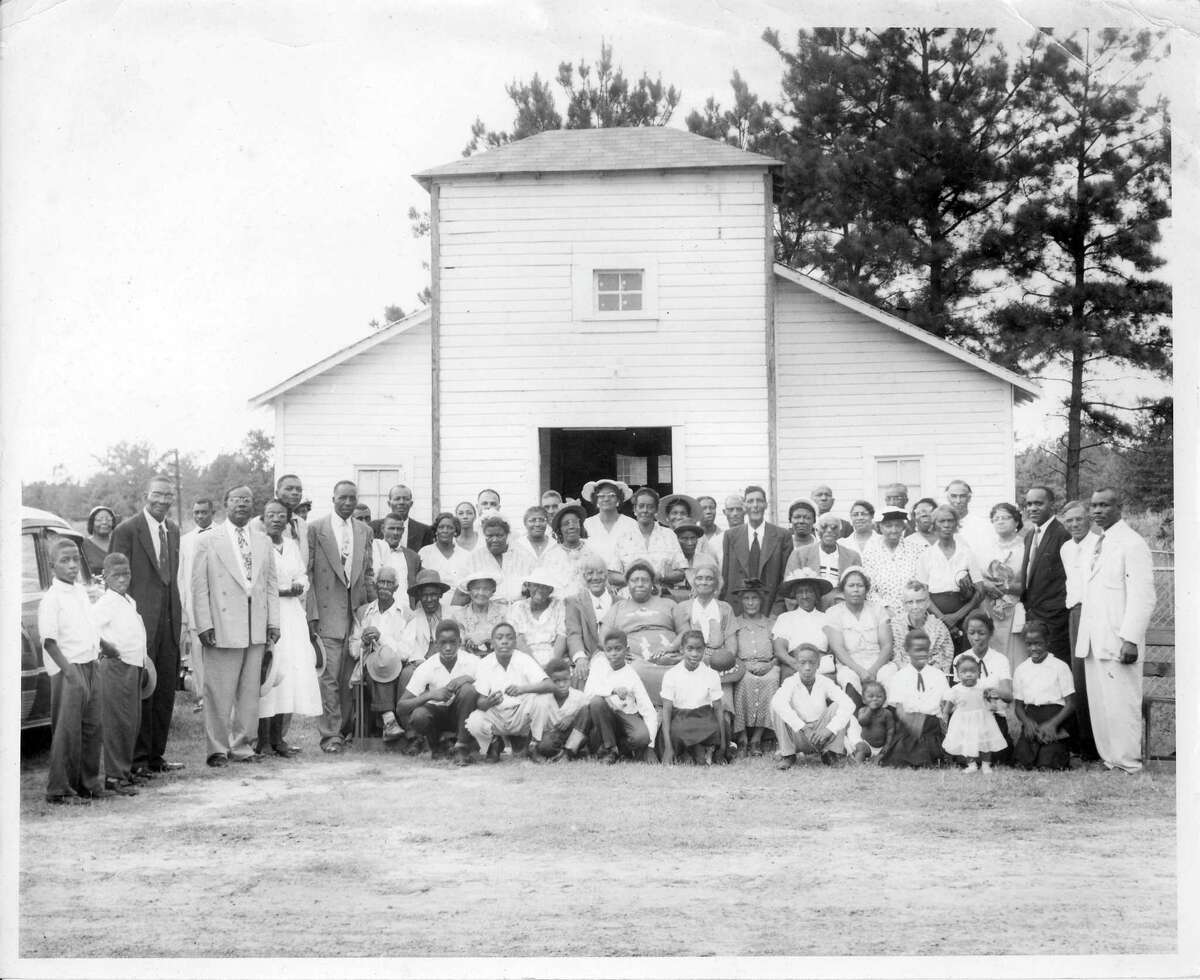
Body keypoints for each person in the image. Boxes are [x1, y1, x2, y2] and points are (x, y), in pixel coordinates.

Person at [191, 485, 280, 767]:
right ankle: (217, 748)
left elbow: (270, 585)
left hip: (255, 626)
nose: (242, 504)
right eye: (236, 499)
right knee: (218, 692)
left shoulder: (262, 540)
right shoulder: (208, 540)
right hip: (221, 626)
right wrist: (204, 624)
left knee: (249, 693)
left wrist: (273, 622)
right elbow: (198, 587)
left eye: (247, 500)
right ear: (225, 504)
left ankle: (243, 746)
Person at [1075, 488, 1156, 773]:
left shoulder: (1132, 544)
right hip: (1094, 639)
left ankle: (1129, 763)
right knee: (1102, 706)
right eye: (1093, 506)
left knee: (1122, 704)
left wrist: (1130, 639)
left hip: (1117, 638)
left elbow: (1143, 596)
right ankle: (1111, 760)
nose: (1097, 511)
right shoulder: (1099, 543)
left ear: (1119, 507)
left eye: (1104, 505)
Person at [109, 474, 184, 777]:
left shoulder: (175, 531)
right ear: (145, 495)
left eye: (168, 495)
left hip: (169, 622)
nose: (162, 500)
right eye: (157, 494)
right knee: (142, 689)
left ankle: (156, 756)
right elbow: (114, 582)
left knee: (165, 688)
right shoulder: (127, 530)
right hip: (138, 623)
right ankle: (137, 760)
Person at [39, 539, 109, 803]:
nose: (71, 565)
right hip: (68, 669)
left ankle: (88, 783)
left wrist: (106, 648)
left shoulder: (80, 591)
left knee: (92, 727)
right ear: (52, 565)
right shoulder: (51, 599)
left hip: (91, 664)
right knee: (67, 729)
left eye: (75, 560)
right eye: (64, 561)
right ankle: (59, 789)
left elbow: (89, 628)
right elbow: (49, 641)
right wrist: (70, 674)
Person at [306, 480, 373, 754]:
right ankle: (330, 735)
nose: (348, 503)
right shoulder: (316, 529)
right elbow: (308, 574)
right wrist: (312, 615)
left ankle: (346, 730)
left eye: (352, 498)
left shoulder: (364, 530)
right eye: (342, 498)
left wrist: (370, 612)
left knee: (349, 677)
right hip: (327, 612)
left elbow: (368, 572)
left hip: (355, 613)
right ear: (333, 498)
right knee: (329, 677)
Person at [256, 499, 322, 757]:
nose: (275, 519)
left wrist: (298, 586)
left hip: (293, 614)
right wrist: (283, 590)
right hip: (270, 614)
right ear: (263, 518)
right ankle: (260, 739)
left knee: (289, 676)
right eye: (270, 514)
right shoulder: (258, 544)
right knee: (269, 675)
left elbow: (302, 575)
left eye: (280, 515)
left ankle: (278, 739)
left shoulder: (292, 545)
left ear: (288, 519)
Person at [91, 553, 146, 796]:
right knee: (116, 722)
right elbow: (90, 629)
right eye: (116, 575)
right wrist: (107, 648)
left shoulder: (128, 601)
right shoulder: (106, 603)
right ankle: (114, 777)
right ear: (105, 577)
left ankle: (124, 772)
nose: (123, 579)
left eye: (126, 574)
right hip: (116, 667)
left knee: (130, 722)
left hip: (133, 666)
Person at [466, 622, 553, 762]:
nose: (504, 642)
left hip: (520, 714)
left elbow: (549, 685)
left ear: (515, 642)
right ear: (492, 643)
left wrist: (522, 689)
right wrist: (489, 701)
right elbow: (480, 702)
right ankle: (494, 744)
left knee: (542, 700)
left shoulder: (524, 659)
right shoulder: (485, 663)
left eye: (509, 638)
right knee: (474, 721)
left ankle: (534, 745)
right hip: (497, 715)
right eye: (499, 638)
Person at [397, 620, 480, 765]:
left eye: (452, 642)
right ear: (436, 644)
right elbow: (401, 707)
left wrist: (467, 678)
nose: (448, 648)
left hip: (462, 715)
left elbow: (490, 687)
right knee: (419, 716)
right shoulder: (427, 666)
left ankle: (462, 747)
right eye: (443, 643)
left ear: (460, 642)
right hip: (437, 715)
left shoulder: (473, 662)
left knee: (468, 690)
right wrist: (430, 695)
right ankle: (436, 745)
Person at [598, 560, 679, 704]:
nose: (640, 584)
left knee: (691, 666)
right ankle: (659, 708)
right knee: (636, 670)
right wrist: (621, 655)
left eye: (645, 580)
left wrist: (672, 649)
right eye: (634, 580)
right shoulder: (618, 607)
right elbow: (603, 638)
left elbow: (686, 633)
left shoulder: (668, 604)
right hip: (636, 661)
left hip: (671, 657)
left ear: (652, 583)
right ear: (627, 584)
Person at [349, 565, 411, 741]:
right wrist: (364, 641)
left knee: (383, 663)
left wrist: (381, 638)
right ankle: (389, 721)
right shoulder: (364, 612)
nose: (384, 587)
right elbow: (353, 651)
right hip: (369, 665)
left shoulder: (405, 614)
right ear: (375, 586)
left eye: (389, 583)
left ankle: (388, 722)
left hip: (398, 665)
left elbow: (405, 652)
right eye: (381, 582)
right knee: (375, 664)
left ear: (396, 588)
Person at [1059, 499, 1100, 761]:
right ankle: (1084, 743)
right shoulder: (1065, 548)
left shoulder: (1099, 544)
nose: (1074, 524)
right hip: (1074, 613)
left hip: (1096, 613)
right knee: (1079, 679)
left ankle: (1098, 744)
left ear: (1089, 519)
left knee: (1096, 678)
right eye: (1069, 520)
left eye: (1079, 519)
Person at [771, 646, 856, 769]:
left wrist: (829, 730)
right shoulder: (790, 682)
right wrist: (804, 728)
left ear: (818, 664)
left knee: (840, 706)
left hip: (821, 735)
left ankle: (830, 753)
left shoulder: (824, 681)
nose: (807, 667)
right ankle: (788, 755)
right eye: (803, 662)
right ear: (796, 664)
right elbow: (777, 703)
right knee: (777, 704)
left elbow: (849, 704)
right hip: (799, 734)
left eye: (812, 662)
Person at [580, 629, 658, 763]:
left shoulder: (631, 675)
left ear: (627, 650)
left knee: (642, 737)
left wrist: (650, 747)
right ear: (604, 651)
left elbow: (648, 710)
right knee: (597, 701)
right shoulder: (599, 666)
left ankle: (621, 750)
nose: (613, 654)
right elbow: (588, 693)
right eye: (609, 650)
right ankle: (610, 749)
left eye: (618, 649)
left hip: (626, 717)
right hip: (606, 718)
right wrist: (612, 691)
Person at [913, 505, 982, 653]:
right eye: (941, 521)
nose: (946, 525)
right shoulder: (926, 556)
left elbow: (980, 591)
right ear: (934, 524)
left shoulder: (967, 553)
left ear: (956, 523)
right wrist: (942, 618)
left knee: (965, 657)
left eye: (950, 521)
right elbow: (922, 593)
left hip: (964, 615)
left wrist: (957, 616)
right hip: (935, 616)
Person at [1012, 620, 1076, 770]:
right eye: (1029, 644)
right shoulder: (1021, 669)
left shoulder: (1060, 666)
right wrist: (1027, 722)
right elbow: (1019, 706)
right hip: (1032, 717)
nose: (1033, 648)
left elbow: (1071, 704)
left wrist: (1053, 724)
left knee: (1047, 764)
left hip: (1056, 717)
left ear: (1048, 642)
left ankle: (1056, 753)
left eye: (1038, 643)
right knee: (1022, 762)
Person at [824, 567, 892, 707]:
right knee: (848, 678)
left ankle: (887, 723)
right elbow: (838, 649)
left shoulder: (878, 610)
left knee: (889, 675)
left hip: (878, 662)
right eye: (851, 585)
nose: (856, 590)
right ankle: (857, 723)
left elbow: (887, 646)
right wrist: (861, 672)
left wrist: (873, 670)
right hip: (850, 664)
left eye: (860, 585)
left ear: (866, 589)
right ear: (843, 590)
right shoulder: (833, 613)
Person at [880, 630, 948, 768]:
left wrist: (944, 720)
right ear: (907, 651)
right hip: (909, 725)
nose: (922, 654)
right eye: (917, 650)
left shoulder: (938, 675)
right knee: (900, 756)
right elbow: (899, 710)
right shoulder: (899, 676)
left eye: (925, 650)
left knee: (931, 753)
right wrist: (914, 723)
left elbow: (945, 703)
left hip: (931, 724)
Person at [720, 485, 792, 615]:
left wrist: (777, 610)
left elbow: (785, 578)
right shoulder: (731, 535)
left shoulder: (782, 536)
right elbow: (726, 577)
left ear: (766, 504)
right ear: (744, 506)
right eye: (750, 501)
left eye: (759, 501)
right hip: (737, 610)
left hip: (770, 610)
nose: (755, 505)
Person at [1020, 486, 1072, 667]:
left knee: (1056, 669)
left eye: (1038, 503)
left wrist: (1055, 613)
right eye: (1029, 504)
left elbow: (1067, 581)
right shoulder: (1029, 535)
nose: (1032, 508)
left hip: (1055, 622)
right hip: (1033, 618)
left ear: (1052, 505)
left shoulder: (1062, 535)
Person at [726, 580, 778, 756]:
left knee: (771, 682)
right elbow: (731, 649)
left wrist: (770, 665)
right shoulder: (735, 623)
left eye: (754, 598)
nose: (750, 602)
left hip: (768, 665)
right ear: (741, 601)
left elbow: (778, 651)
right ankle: (742, 737)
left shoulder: (771, 622)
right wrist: (743, 666)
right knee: (743, 682)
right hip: (742, 665)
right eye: (746, 598)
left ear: (761, 600)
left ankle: (757, 737)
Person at [954, 611, 1014, 760]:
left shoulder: (1000, 660)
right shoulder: (960, 659)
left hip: (993, 717)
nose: (976, 638)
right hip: (968, 720)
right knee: (965, 759)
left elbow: (1007, 696)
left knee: (999, 759)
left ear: (990, 633)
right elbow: (958, 697)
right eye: (971, 633)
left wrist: (991, 691)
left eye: (981, 633)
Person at [660, 630, 725, 765]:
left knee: (721, 727)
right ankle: (693, 751)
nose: (694, 654)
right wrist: (668, 748)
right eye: (690, 649)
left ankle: (701, 751)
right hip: (681, 716)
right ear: (682, 649)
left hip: (704, 715)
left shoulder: (711, 674)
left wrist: (723, 746)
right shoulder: (671, 675)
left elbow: (718, 708)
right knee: (677, 732)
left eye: (699, 649)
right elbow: (666, 711)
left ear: (704, 650)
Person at [978, 502, 1028, 673]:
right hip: (990, 607)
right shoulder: (984, 546)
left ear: (1016, 522)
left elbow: (1029, 580)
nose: (1000, 521)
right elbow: (976, 575)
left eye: (1005, 517)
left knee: (1016, 655)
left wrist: (1006, 587)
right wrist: (986, 584)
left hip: (1014, 606)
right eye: (996, 518)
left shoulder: (1025, 546)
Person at [178, 497, 216, 709]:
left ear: (213, 512)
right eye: (196, 513)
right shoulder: (185, 540)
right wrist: (184, 606)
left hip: (219, 606)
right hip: (194, 605)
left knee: (218, 652)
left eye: (204, 512)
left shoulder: (222, 535)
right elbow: (181, 576)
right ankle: (202, 696)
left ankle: (221, 696)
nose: (200, 516)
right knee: (198, 652)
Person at [939, 653, 1006, 772]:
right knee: (967, 743)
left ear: (979, 672)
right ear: (958, 674)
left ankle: (986, 765)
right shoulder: (955, 690)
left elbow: (991, 698)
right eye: (964, 672)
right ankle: (972, 765)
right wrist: (945, 713)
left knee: (985, 743)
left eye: (972, 671)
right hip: (964, 720)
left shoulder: (983, 686)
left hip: (982, 719)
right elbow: (949, 703)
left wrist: (993, 704)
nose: (968, 674)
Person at [884, 581, 955, 684]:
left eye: (920, 601)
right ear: (904, 604)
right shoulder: (895, 625)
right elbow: (894, 655)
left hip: (930, 673)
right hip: (903, 672)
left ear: (927, 603)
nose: (915, 606)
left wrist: (926, 671)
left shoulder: (938, 627)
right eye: (910, 602)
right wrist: (910, 672)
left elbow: (945, 655)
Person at [455, 515, 536, 605]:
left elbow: (535, 588)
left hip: (519, 610)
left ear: (507, 535)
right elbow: (461, 594)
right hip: (486, 611)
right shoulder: (474, 559)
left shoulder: (523, 556)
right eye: (490, 536)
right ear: (484, 536)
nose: (494, 540)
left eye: (499, 535)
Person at [786, 514, 861, 609]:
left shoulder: (852, 556)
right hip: (810, 610)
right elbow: (790, 591)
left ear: (840, 532)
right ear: (817, 531)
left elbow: (858, 588)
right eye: (824, 527)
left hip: (843, 609)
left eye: (834, 528)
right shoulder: (799, 555)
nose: (829, 531)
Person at [563, 553, 615, 688]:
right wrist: (580, 657)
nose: (595, 578)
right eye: (589, 573)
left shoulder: (619, 602)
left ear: (607, 575)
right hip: (588, 658)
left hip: (615, 657)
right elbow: (573, 634)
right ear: (583, 577)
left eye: (600, 573)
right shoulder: (573, 602)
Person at [615, 487, 685, 586]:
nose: (645, 510)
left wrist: (662, 577)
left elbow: (681, 573)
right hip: (629, 596)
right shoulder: (623, 537)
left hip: (661, 596)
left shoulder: (669, 535)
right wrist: (633, 579)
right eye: (641, 506)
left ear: (656, 509)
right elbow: (611, 574)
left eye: (650, 507)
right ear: (635, 509)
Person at [861, 506, 923, 616]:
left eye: (898, 525)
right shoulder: (871, 550)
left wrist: (912, 607)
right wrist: (885, 608)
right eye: (888, 526)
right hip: (880, 611)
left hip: (912, 610)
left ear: (903, 527)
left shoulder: (916, 550)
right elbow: (869, 588)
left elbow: (920, 584)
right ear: (880, 527)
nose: (893, 530)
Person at [771, 570, 833, 682]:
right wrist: (796, 664)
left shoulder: (827, 618)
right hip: (793, 666)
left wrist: (816, 666)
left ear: (816, 594)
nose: (804, 596)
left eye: (809, 591)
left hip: (822, 666)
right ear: (795, 595)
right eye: (800, 592)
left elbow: (834, 647)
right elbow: (779, 649)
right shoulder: (785, 618)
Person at [527, 658, 588, 761]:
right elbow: (536, 727)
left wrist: (572, 718)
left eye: (565, 680)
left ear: (570, 677)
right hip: (552, 736)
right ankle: (559, 753)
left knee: (586, 709)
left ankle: (569, 752)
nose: (562, 685)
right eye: (556, 681)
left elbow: (587, 717)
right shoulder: (542, 699)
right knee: (545, 746)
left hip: (574, 735)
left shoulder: (579, 697)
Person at [581, 478, 637, 584]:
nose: (606, 499)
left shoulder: (631, 524)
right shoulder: (586, 524)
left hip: (625, 583)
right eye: (601, 496)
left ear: (618, 499)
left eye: (612, 495)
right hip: (593, 582)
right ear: (595, 500)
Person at [509, 568, 568, 667]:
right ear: (528, 586)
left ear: (551, 590)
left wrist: (551, 666)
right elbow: (518, 640)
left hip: (554, 660)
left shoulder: (559, 605)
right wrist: (535, 667)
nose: (540, 590)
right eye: (536, 585)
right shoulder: (518, 608)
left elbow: (562, 637)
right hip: (526, 661)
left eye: (544, 587)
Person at [418, 512, 471, 615]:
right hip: (431, 606)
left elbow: (467, 587)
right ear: (436, 531)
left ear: (455, 531)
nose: (445, 531)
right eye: (441, 527)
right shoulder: (425, 552)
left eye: (449, 527)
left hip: (459, 608)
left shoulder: (466, 556)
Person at [398, 570, 453, 667]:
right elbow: (407, 646)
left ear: (440, 594)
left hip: (448, 662)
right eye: (424, 595)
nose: (429, 599)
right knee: (407, 675)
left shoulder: (451, 614)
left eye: (433, 594)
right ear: (419, 596)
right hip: (421, 662)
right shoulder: (414, 617)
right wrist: (420, 662)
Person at [545, 502, 601, 596]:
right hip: (560, 605)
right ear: (560, 529)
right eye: (566, 524)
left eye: (575, 522)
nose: (571, 526)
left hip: (588, 604)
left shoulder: (592, 550)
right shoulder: (551, 556)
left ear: (580, 525)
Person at [249, 474, 308, 563]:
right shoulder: (260, 523)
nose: (295, 493)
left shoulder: (301, 523)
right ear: (277, 493)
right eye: (289, 489)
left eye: (299, 490)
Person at [450, 572, 508, 654]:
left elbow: (509, 639)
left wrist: (484, 637)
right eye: (476, 588)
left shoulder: (504, 612)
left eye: (486, 589)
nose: (481, 593)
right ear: (469, 591)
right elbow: (458, 644)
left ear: (492, 591)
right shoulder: (458, 616)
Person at [369, 484, 434, 551]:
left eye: (406, 499)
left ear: (411, 503)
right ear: (389, 503)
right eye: (397, 499)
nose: (401, 502)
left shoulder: (424, 531)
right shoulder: (373, 528)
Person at [372, 513, 421, 597]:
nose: (395, 533)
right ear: (383, 529)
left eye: (399, 529)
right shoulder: (373, 550)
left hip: (405, 607)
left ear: (403, 531)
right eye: (391, 528)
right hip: (378, 606)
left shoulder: (413, 557)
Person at [850, 681, 897, 764]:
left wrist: (886, 746)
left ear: (884, 699)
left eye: (879, 696)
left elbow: (890, 730)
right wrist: (870, 709)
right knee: (861, 749)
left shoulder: (887, 713)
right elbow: (862, 722)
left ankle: (876, 759)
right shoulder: (863, 710)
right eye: (871, 696)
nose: (875, 699)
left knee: (888, 757)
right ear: (864, 700)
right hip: (867, 744)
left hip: (881, 747)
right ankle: (858, 764)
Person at [946, 480, 992, 559]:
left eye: (962, 496)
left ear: (969, 498)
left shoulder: (982, 525)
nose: (958, 501)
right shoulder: (940, 525)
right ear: (948, 498)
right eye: (954, 496)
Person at [83, 505, 117, 574]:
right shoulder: (83, 545)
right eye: (99, 519)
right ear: (92, 523)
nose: (104, 522)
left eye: (108, 519)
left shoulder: (119, 543)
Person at [696, 495, 725, 569]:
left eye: (712, 508)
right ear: (697, 511)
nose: (708, 511)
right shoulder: (692, 537)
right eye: (704, 508)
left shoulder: (724, 536)